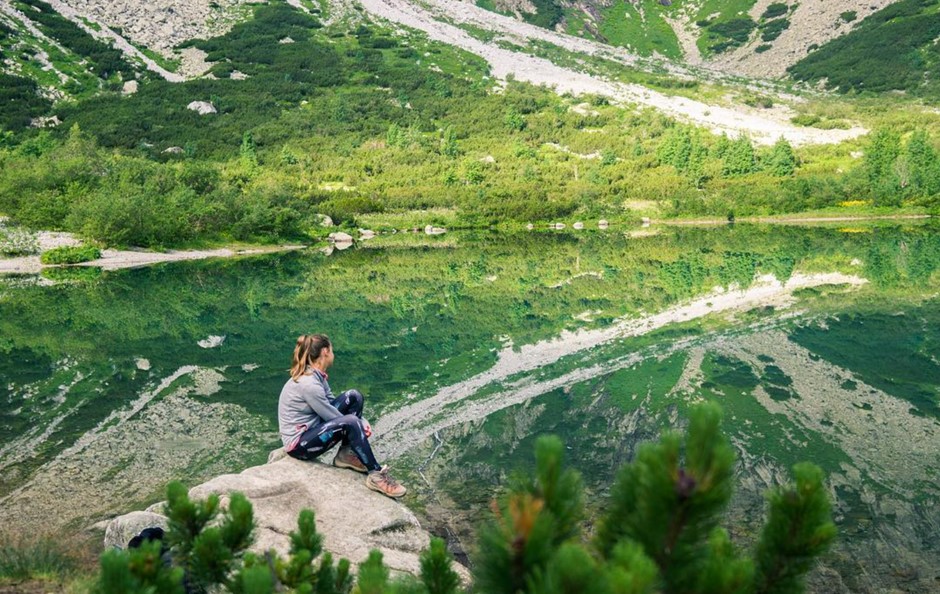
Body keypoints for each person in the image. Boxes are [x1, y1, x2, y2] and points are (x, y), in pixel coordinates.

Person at [278, 333, 406, 498]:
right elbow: (332, 416)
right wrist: (359, 424)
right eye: (332, 350)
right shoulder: (309, 384)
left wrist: (360, 422)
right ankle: (375, 474)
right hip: (299, 445)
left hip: (312, 428)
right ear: (325, 352)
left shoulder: (316, 376)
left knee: (354, 396)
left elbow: (331, 403)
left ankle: (345, 455)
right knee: (351, 422)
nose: (333, 354)